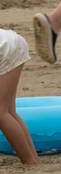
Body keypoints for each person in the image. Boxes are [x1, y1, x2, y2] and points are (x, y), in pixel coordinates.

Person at [0, 27, 38, 165]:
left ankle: (29, 161)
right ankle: (33, 158)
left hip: (5, 49)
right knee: (9, 111)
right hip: (12, 41)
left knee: (1, 113)